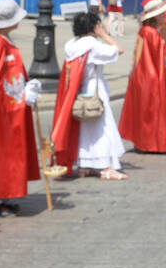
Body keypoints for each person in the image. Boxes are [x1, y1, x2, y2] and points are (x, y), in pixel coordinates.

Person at [0, 0, 41, 216]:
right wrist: (19, 95)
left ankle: (2, 196)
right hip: (0, 111)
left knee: (6, 154)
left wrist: (25, 86)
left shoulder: (2, 39)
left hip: (8, 107)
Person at [51, 10, 126, 179]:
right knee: (103, 127)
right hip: (95, 88)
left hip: (80, 90)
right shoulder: (92, 44)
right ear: (93, 27)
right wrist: (104, 35)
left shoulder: (71, 44)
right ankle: (106, 167)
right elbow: (118, 50)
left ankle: (85, 165)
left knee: (84, 130)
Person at [118, 0, 166, 152]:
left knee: (146, 110)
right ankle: (152, 143)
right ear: (155, 16)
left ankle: (152, 142)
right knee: (151, 110)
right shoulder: (150, 33)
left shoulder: (149, 31)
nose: (165, 15)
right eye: (162, 13)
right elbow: (151, 57)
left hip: (147, 75)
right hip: (150, 75)